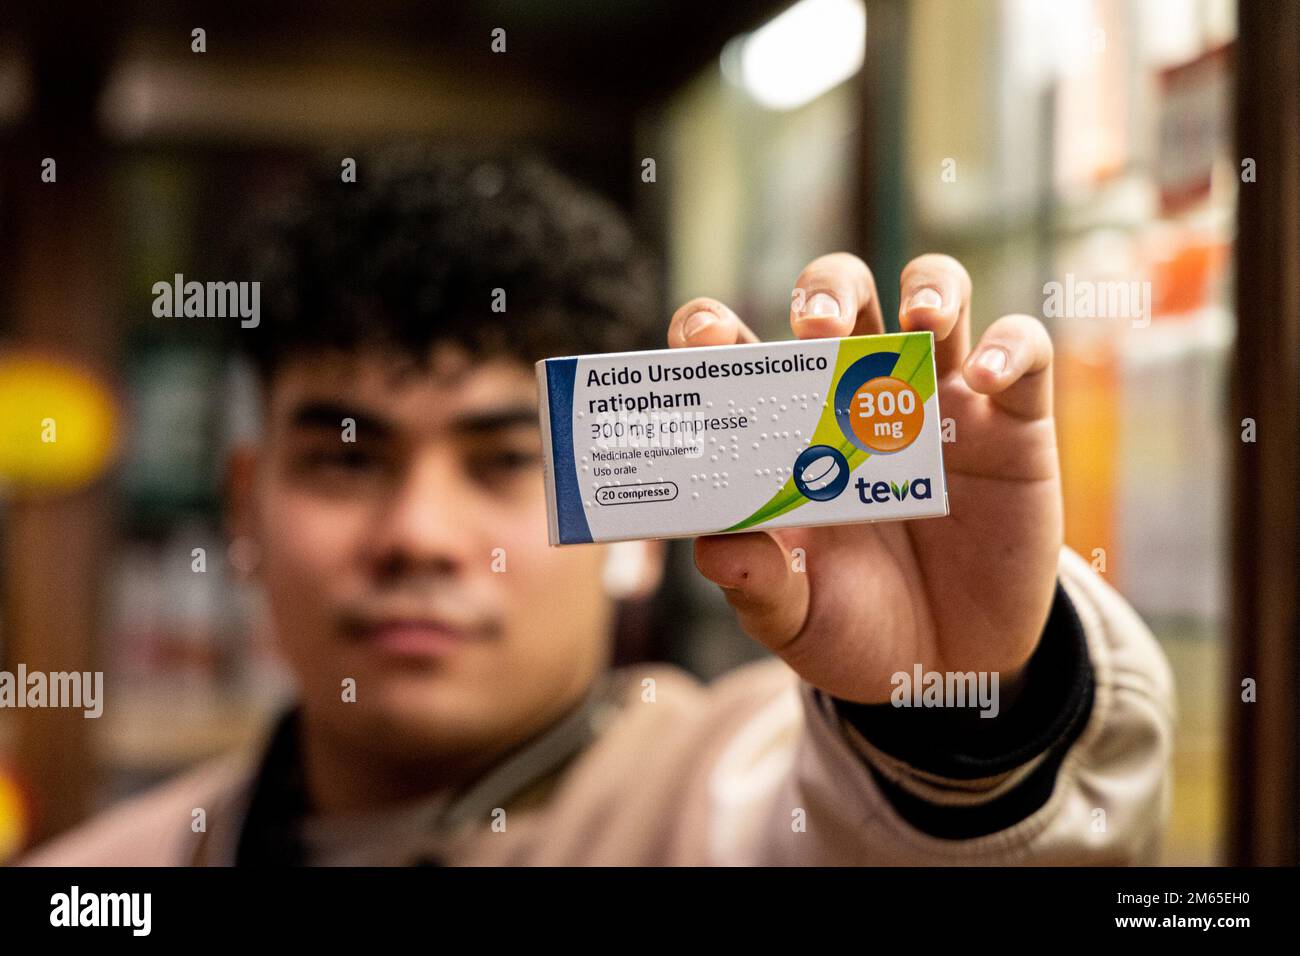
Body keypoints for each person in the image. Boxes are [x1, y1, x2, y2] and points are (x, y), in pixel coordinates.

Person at [23, 145, 1173, 866]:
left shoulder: (737, 803)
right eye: (346, 459)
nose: (418, 535)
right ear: (246, 507)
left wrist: (964, 720)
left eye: (504, 459)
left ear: (631, 520)